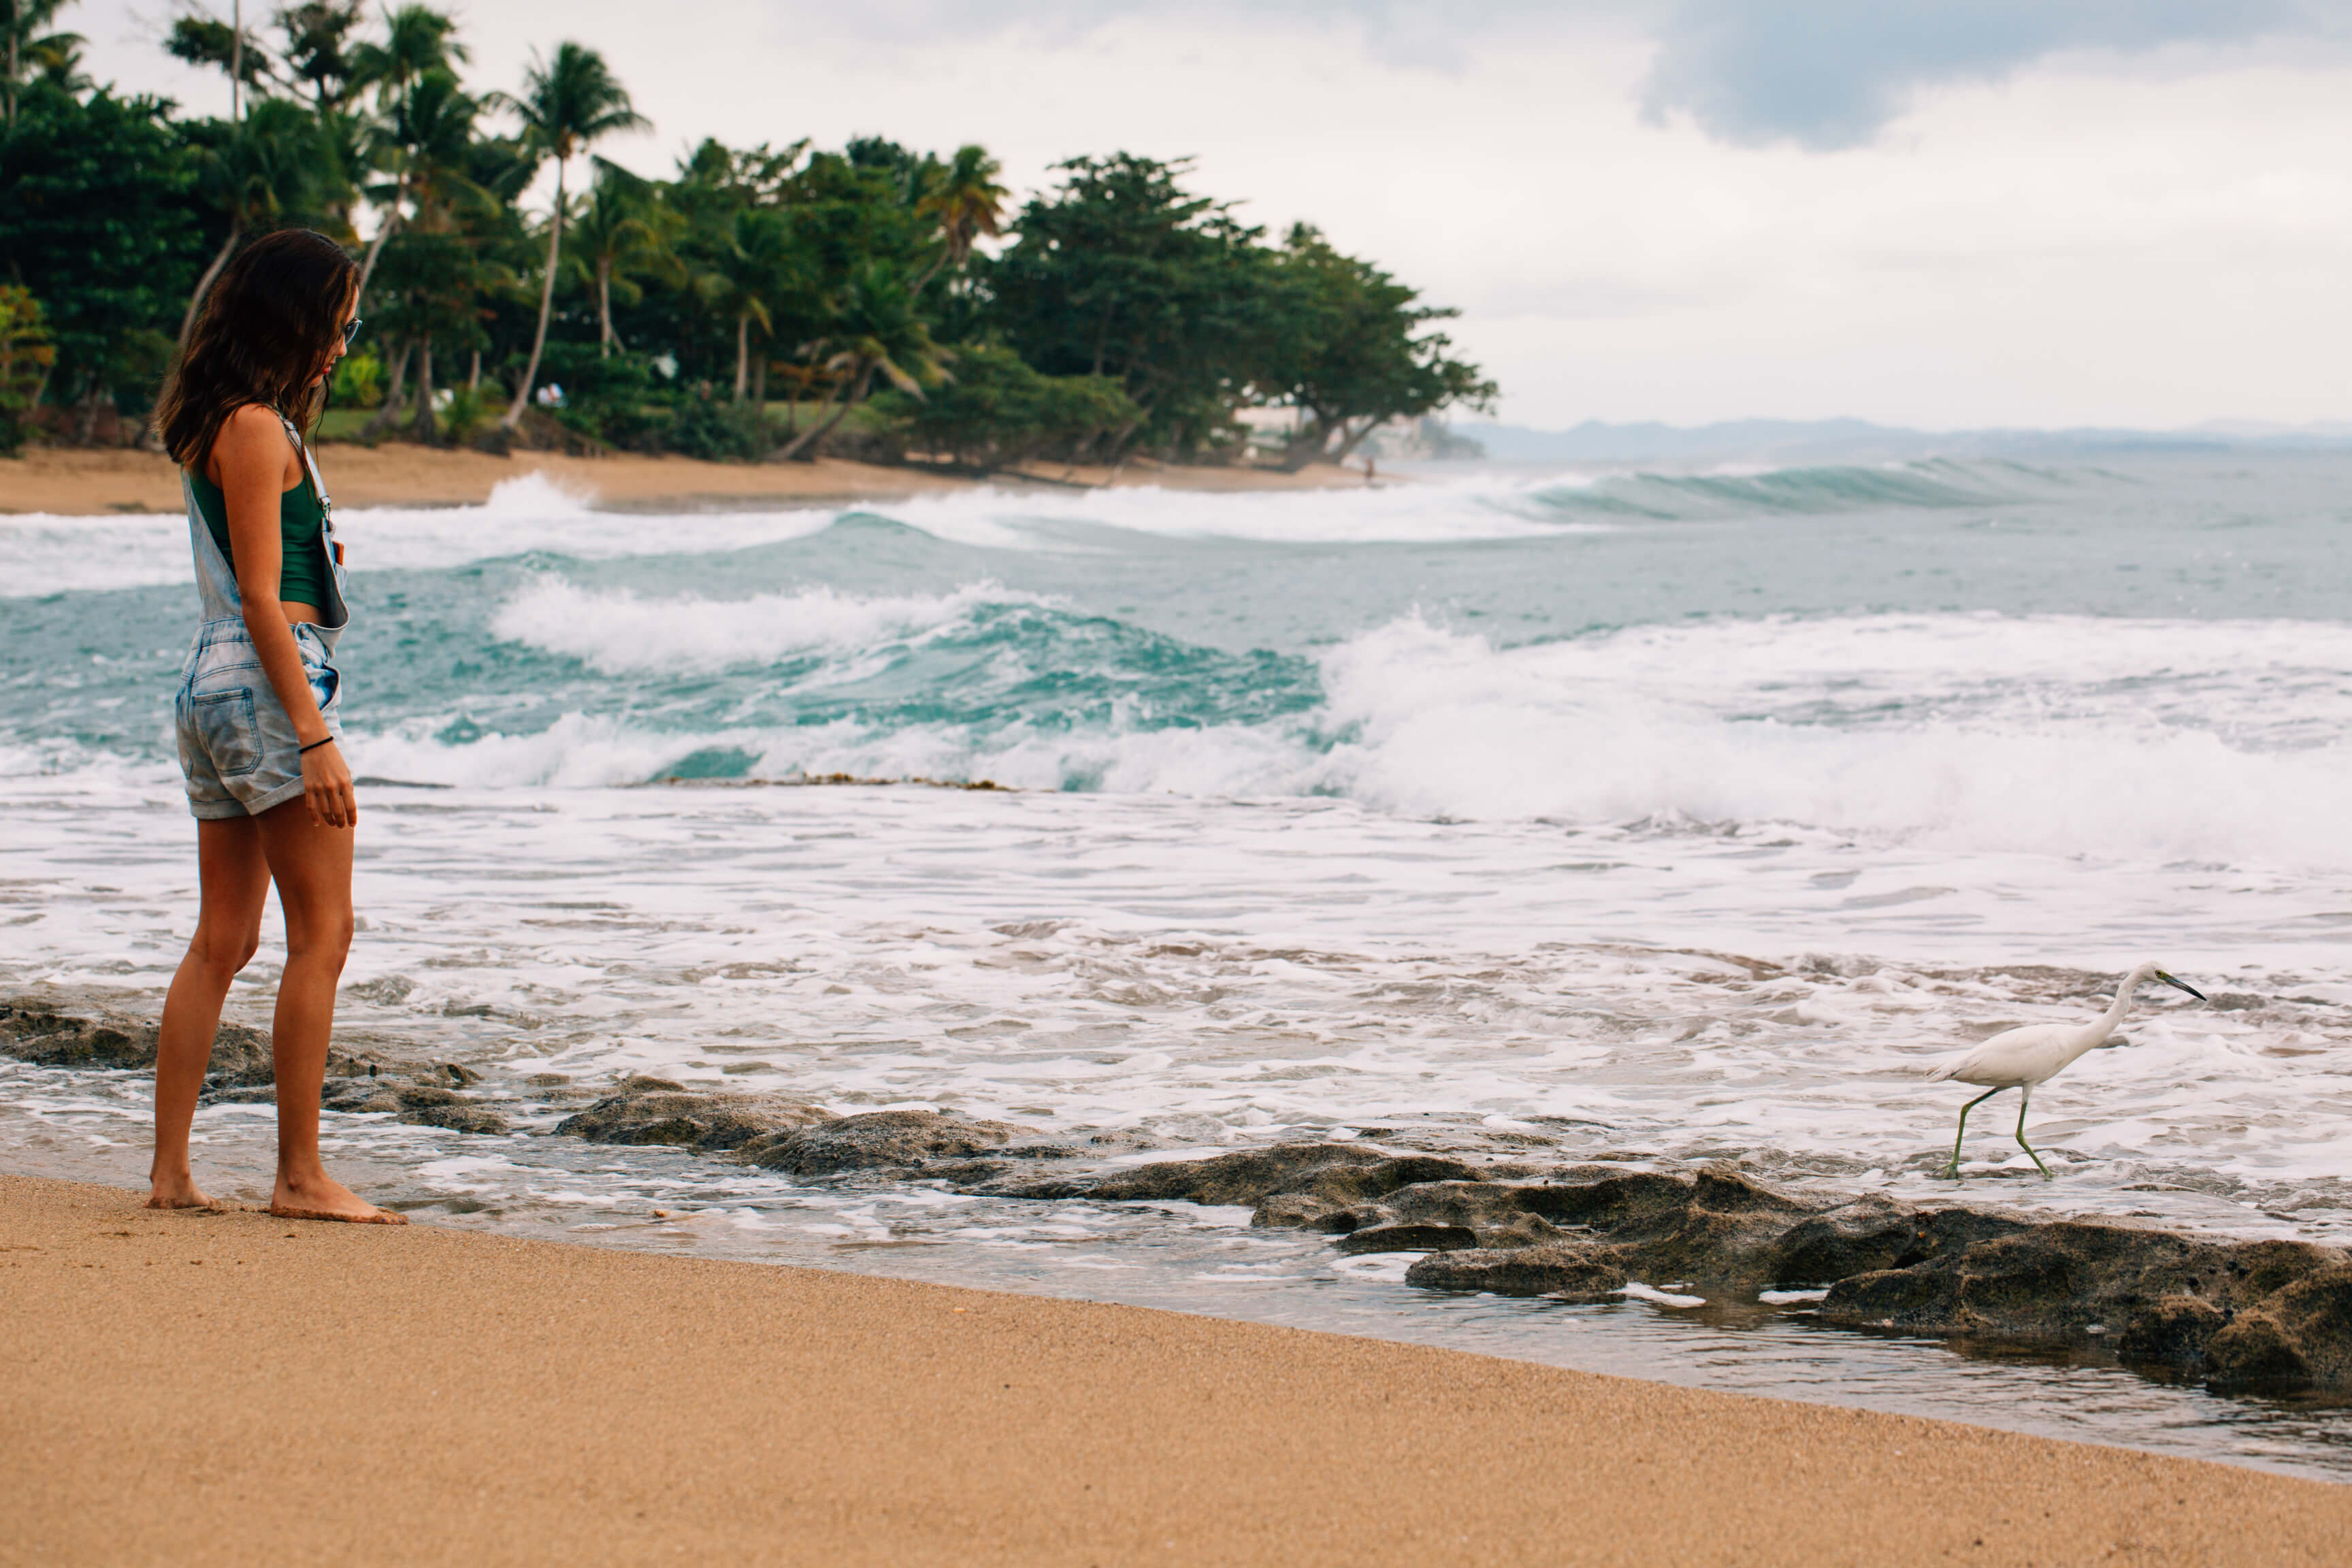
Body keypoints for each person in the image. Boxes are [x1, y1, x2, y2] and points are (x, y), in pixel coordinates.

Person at [147, 229, 402, 1224]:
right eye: (337, 323)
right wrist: (314, 734)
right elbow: (262, 597)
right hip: (265, 683)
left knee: (223, 938)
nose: (342, 343)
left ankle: (172, 1174)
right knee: (323, 935)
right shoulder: (255, 428)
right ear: (292, 319)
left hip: (211, 685)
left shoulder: (219, 420)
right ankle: (299, 1175)